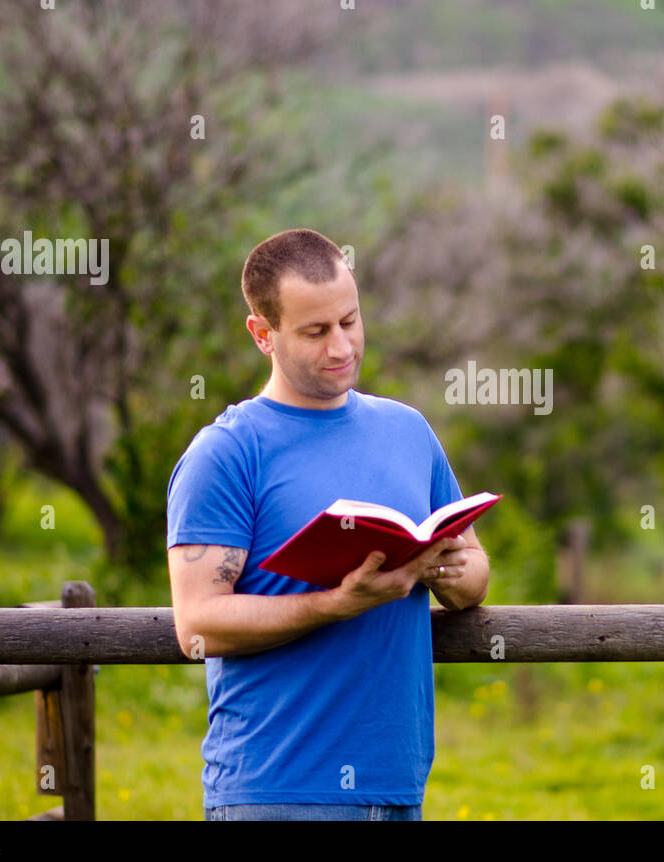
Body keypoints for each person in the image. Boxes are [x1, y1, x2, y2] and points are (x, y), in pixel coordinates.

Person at [166, 227, 490, 821]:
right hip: (276, 791)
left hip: (396, 788)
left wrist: (444, 568)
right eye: (315, 331)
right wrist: (334, 604)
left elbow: (474, 573)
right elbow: (198, 625)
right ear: (262, 334)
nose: (341, 346)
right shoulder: (227, 453)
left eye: (349, 320)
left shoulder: (409, 431)